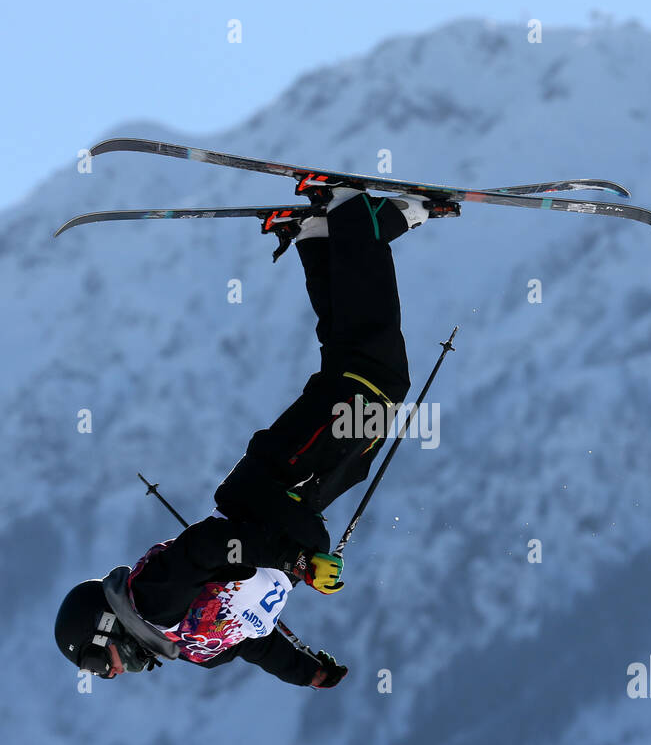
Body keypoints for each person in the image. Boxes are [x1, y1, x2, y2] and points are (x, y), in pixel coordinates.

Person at [54, 186, 430, 689]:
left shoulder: (151, 600)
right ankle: (322, 236)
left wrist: (296, 561)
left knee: (374, 384)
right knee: (355, 377)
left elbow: (211, 547)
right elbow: (254, 640)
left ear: (105, 629)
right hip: (301, 497)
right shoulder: (193, 648)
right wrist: (309, 673)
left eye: (102, 665)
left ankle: (357, 220)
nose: (113, 673)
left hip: (277, 483)